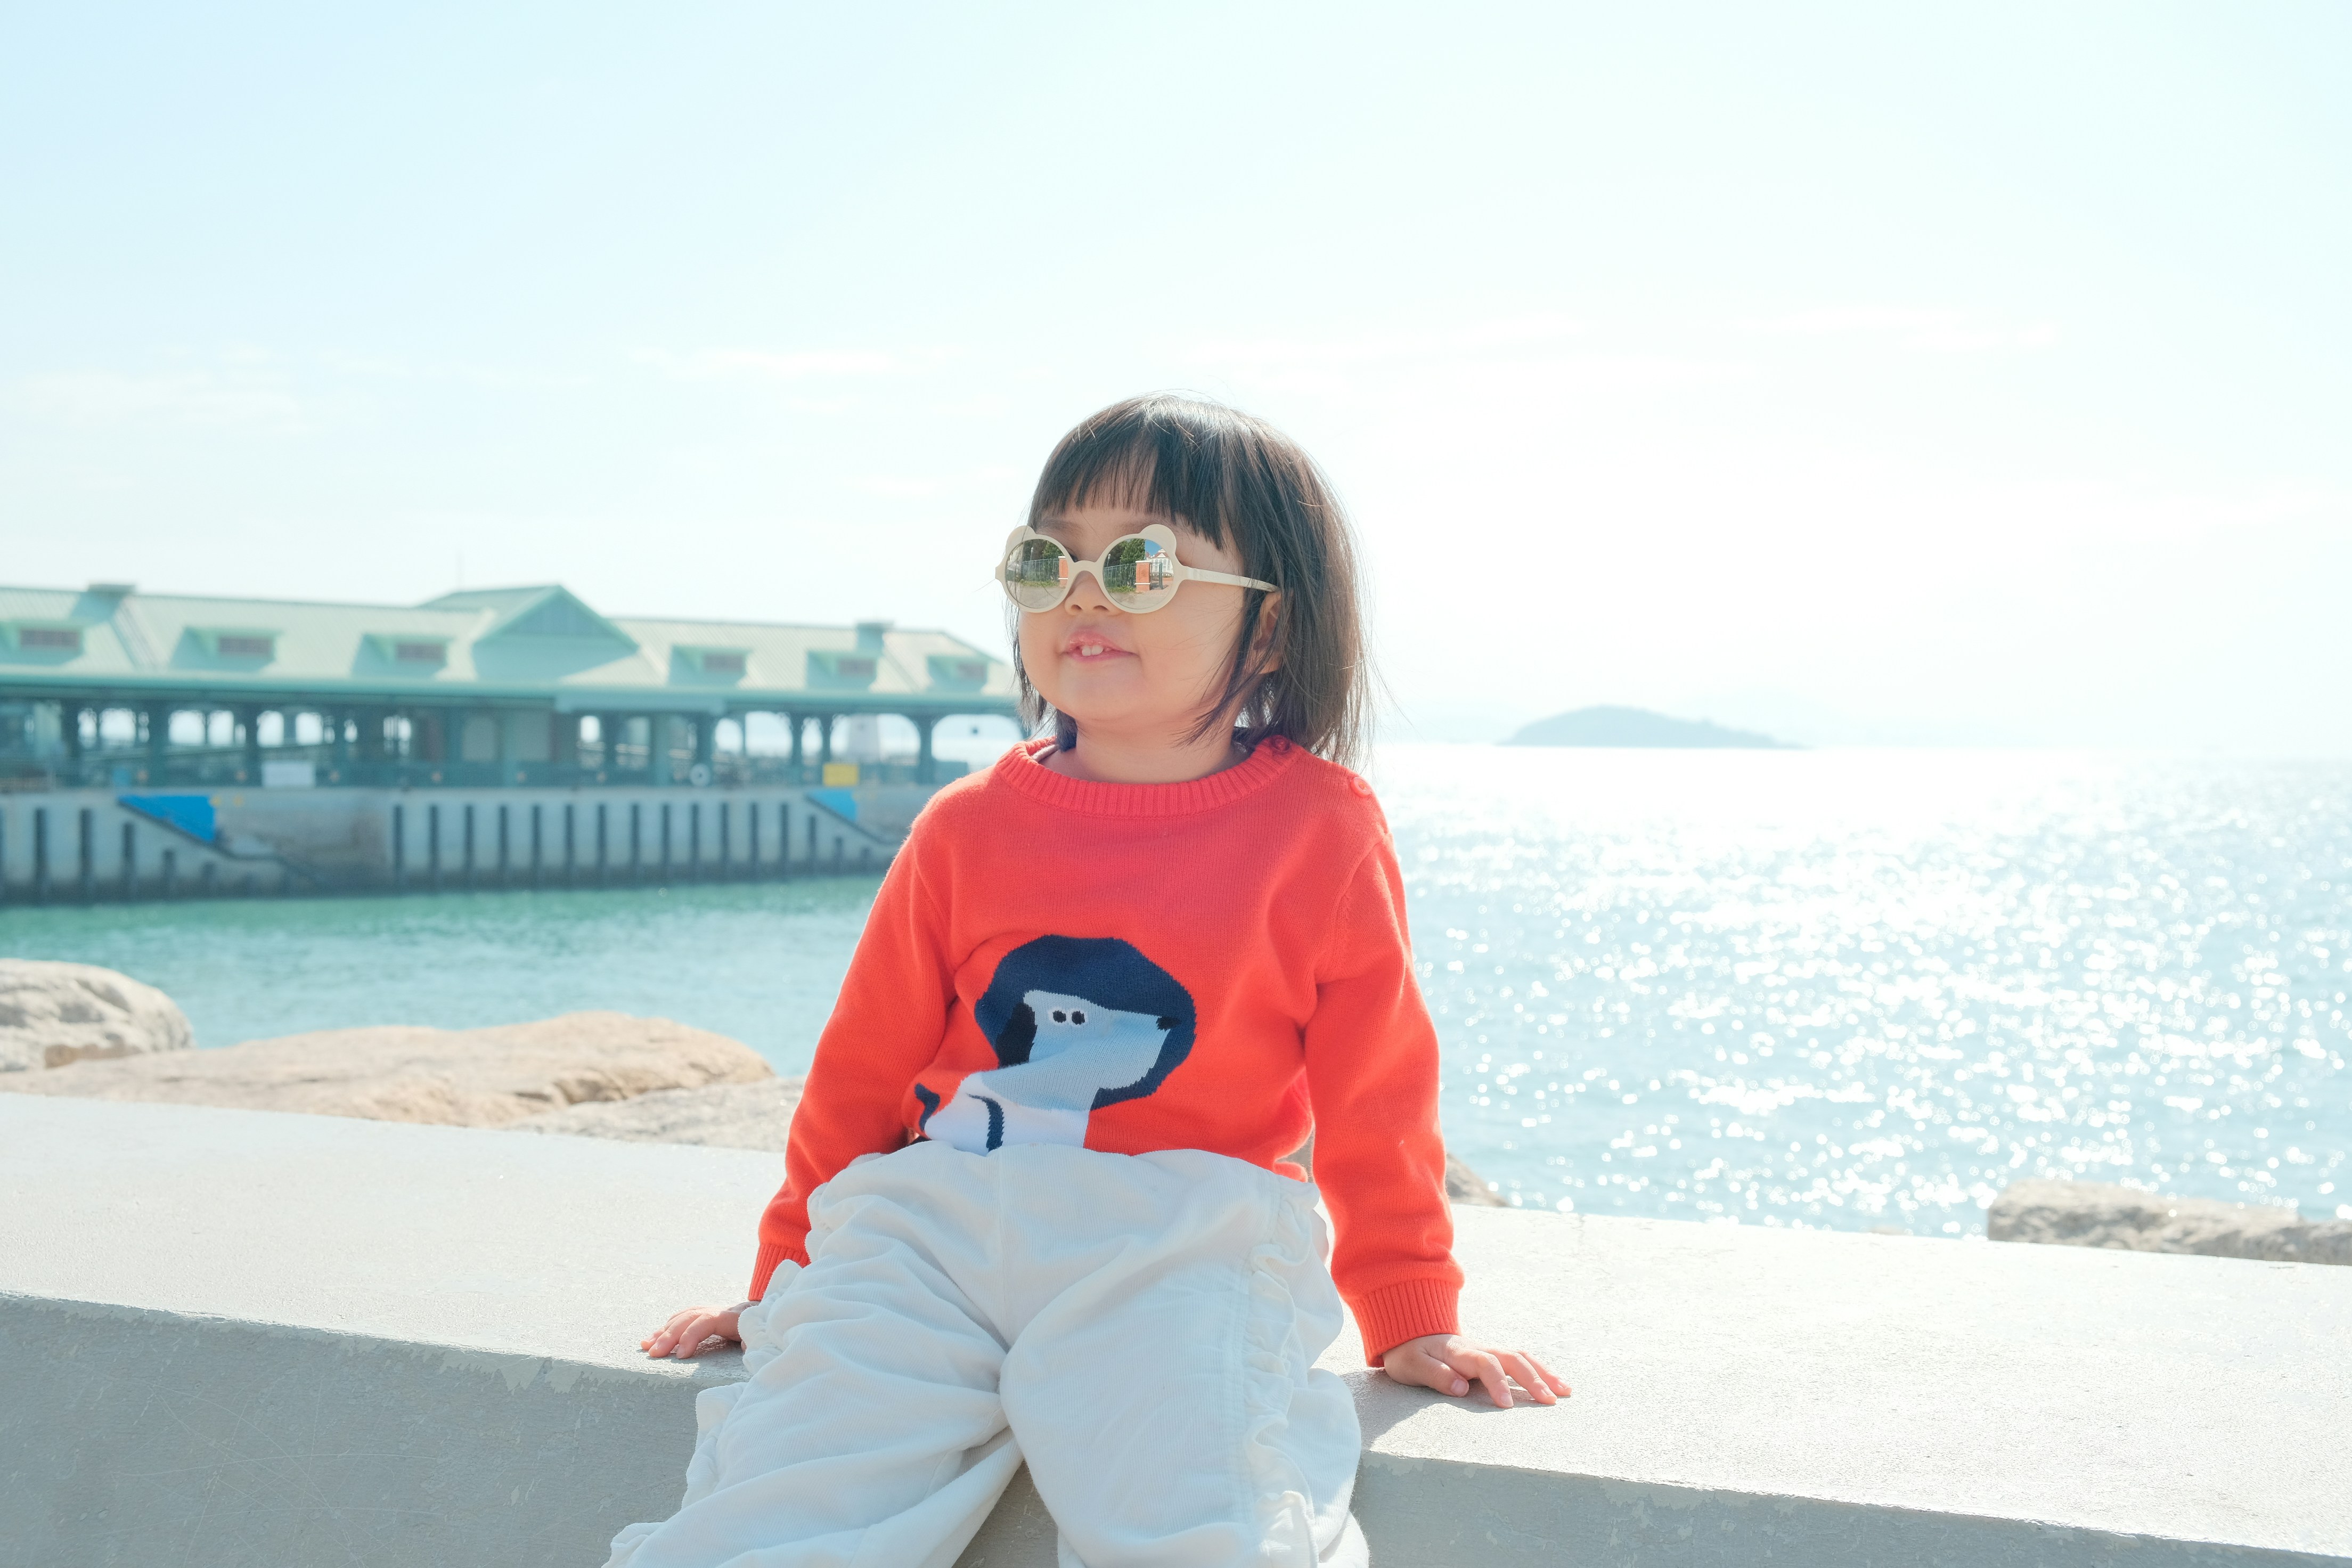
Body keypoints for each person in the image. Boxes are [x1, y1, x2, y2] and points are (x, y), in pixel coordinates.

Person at [610, 395, 1568, 1568]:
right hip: (931, 1230)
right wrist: (782, 1282)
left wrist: (1411, 1311)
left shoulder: (1321, 833)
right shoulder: (966, 827)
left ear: (1268, 628)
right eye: (1044, 559)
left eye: (1142, 563)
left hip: (1178, 1239)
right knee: (782, 1500)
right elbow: (861, 1076)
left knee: (1201, 1519)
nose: (1084, 590)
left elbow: (1377, 1093)